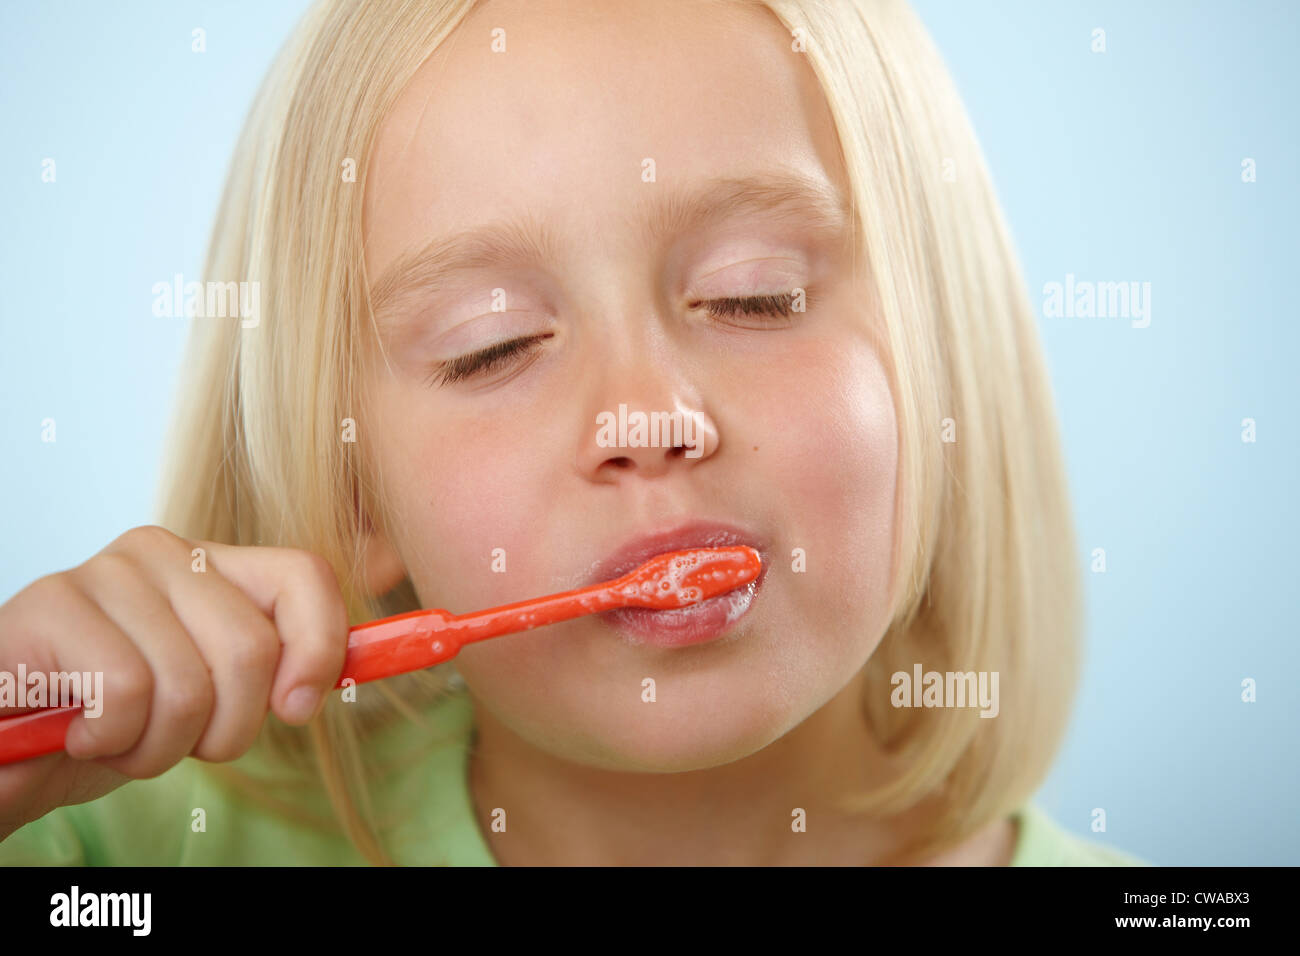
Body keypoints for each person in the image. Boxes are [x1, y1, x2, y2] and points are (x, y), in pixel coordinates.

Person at [0, 0, 1145, 866]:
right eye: (490, 344)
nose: (646, 420)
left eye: (755, 296)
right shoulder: (118, 851)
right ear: (356, 496)